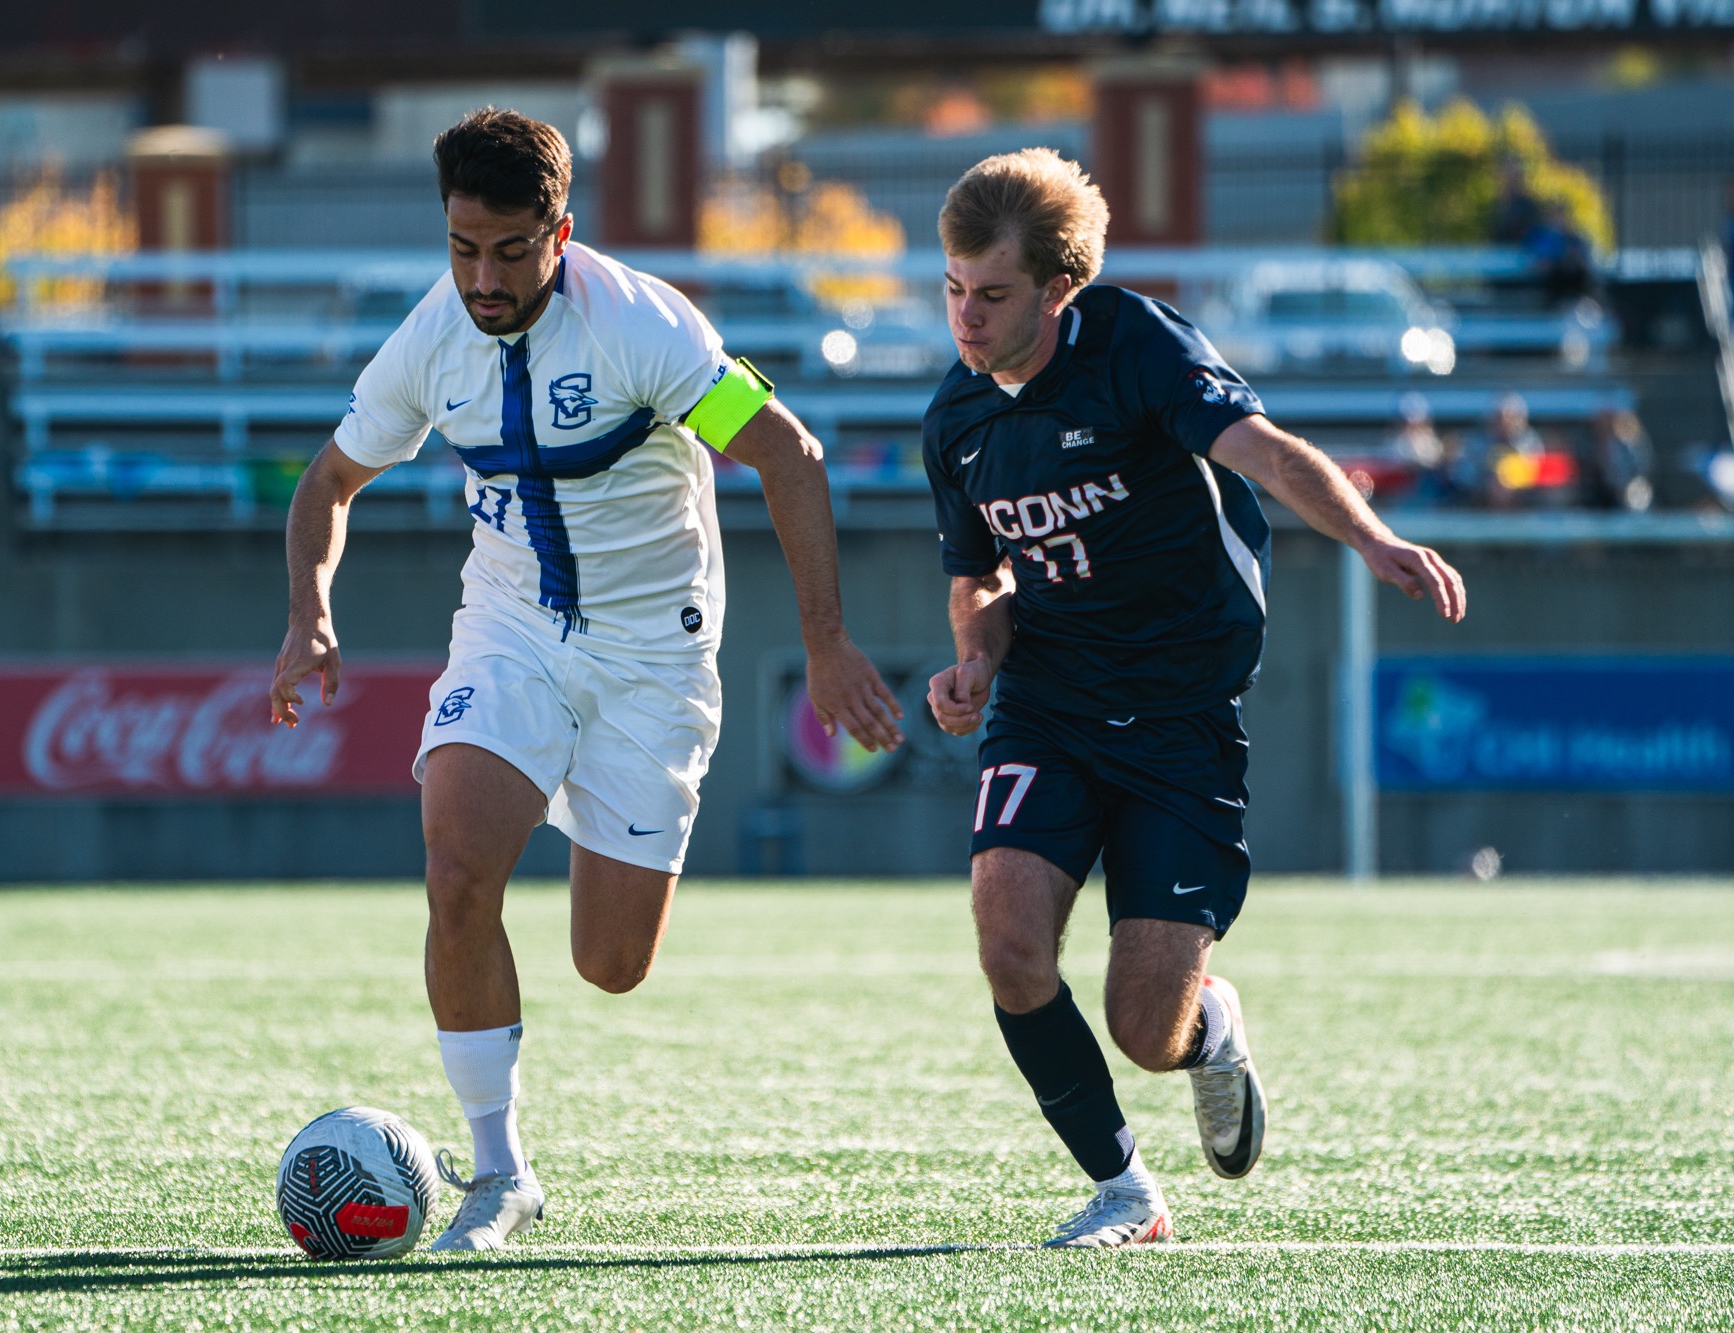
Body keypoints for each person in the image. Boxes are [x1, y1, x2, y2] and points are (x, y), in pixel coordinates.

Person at [267, 109, 901, 1252]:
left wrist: (824, 642)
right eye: (463, 247)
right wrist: (310, 613)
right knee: (455, 866)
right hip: (511, 631)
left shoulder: (640, 329)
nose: (484, 275)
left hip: (656, 654)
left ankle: (592, 825)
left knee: (609, 965)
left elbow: (788, 457)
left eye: (511, 250)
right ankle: (498, 1171)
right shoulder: (428, 342)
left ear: (559, 233)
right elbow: (328, 483)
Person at [920, 149, 1466, 1249]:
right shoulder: (957, 420)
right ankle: (1125, 1189)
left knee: (1143, 1026)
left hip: (1178, 715)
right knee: (1007, 941)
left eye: (991, 294)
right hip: (1049, 701)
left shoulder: (1135, 345)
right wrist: (974, 656)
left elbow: (1260, 451)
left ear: (1055, 290)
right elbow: (974, 572)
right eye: (952, 291)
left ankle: (1207, 1025)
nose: (965, 319)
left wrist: (1368, 535)